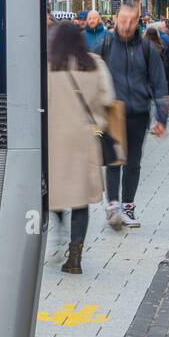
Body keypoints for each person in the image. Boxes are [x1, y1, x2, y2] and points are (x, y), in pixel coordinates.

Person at [92, 2, 168, 229]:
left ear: (138, 22)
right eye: (122, 20)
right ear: (115, 19)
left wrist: (161, 118)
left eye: (131, 21)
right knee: (115, 159)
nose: (126, 25)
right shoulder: (103, 44)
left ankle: (127, 206)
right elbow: (90, 76)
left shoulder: (147, 49)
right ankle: (112, 206)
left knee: (133, 162)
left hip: (139, 112)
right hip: (112, 111)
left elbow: (159, 84)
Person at [46, 22, 115, 274]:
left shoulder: (49, 68)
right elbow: (107, 99)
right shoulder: (94, 65)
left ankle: (60, 229)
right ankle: (75, 256)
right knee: (80, 200)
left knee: (53, 193)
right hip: (85, 140)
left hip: (55, 140)